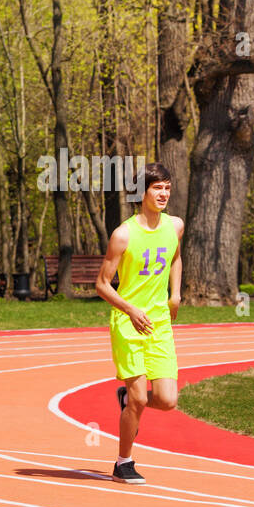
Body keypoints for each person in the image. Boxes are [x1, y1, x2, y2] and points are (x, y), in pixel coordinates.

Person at [94, 161, 183, 484]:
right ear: (141, 192)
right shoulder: (123, 234)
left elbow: (175, 257)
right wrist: (131, 310)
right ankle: (123, 462)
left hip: (160, 323)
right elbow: (102, 284)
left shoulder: (175, 226)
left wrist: (175, 295)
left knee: (167, 401)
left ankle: (126, 399)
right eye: (157, 187)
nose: (164, 193)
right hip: (128, 324)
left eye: (167, 187)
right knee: (141, 399)